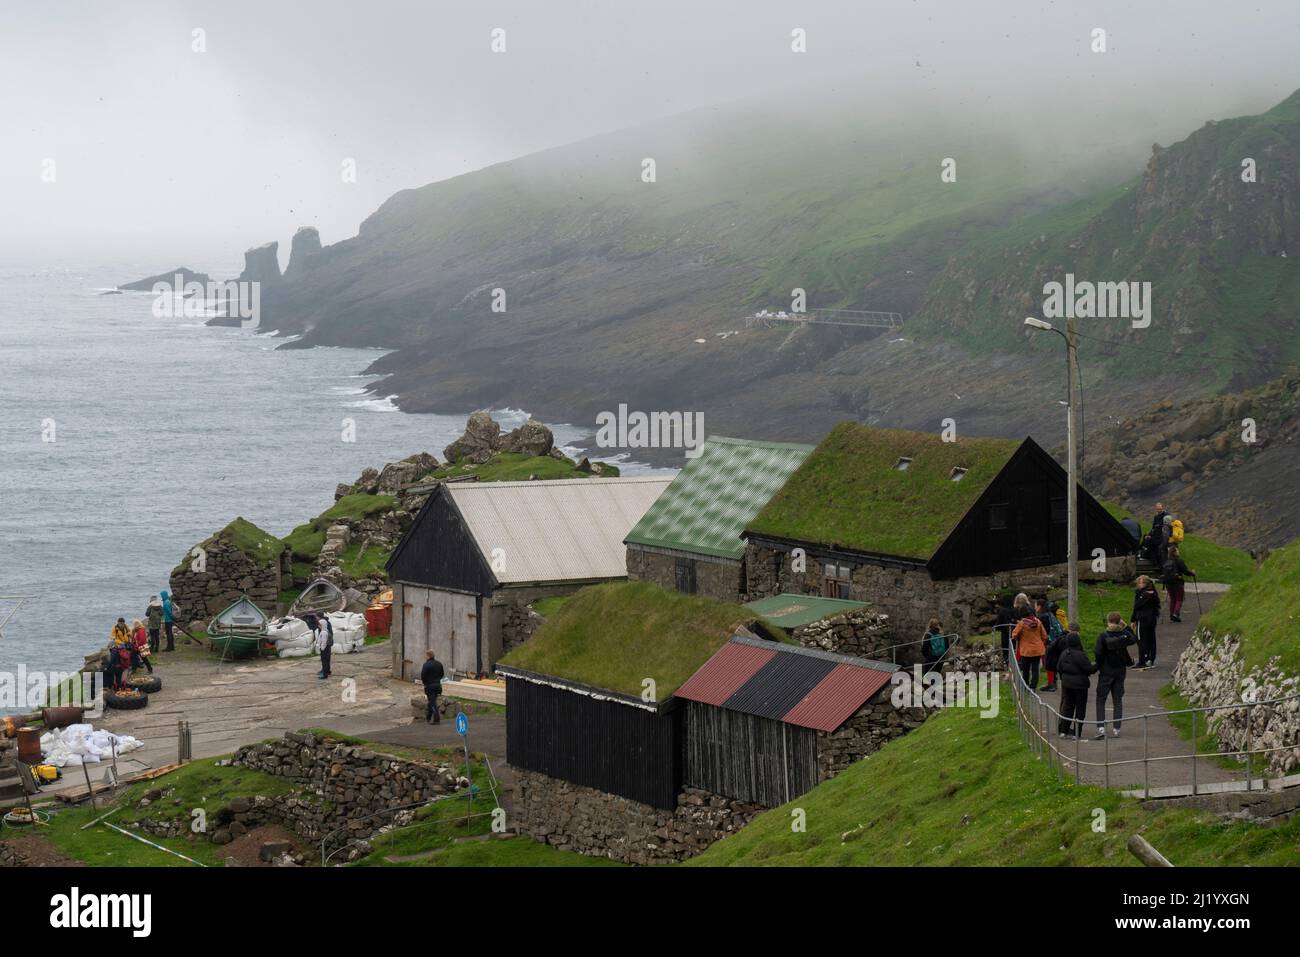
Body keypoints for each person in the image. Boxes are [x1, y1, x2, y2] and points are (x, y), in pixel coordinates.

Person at [1093, 613, 1137, 738]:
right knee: (1117, 700)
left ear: (1108, 621)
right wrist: (1125, 627)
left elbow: (1098, 653)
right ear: (1119, 622)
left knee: (1101, 699)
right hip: (1120, 671)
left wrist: (1100, 665)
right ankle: (1116, 728)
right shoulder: (1123, 635)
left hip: (1106, 671)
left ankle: (1101, 727)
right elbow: (1134, 639)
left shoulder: (1103, 636)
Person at [1056, 629, 1096, 739]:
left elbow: (1059, 667)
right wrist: (1097, 665)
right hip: (1080, 685)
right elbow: (1089, 669)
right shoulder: (1080, 654)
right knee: (1080, 709)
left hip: (1067, 683)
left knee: (1068, 707)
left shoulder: (1064, 653)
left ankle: (1063, 730)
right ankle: (1077, 733)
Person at [1011, 610, 1047, 690]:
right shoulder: (1038, 622)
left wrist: (1018, 638)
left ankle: (1026, 685)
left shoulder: (1022, 623)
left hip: (1026, 650)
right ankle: (1033, 686)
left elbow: (1014, 634)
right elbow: (1044, 635)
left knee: (1026, 669)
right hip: (1037, 649)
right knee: (1035, 669)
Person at [1132, 575, 1161, 669]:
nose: (1140, 585)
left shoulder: (1145, 594)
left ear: (1147, 583)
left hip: (1143, 619)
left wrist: (1133, 619)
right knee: (1150, 639)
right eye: (1139, 583)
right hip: (1151, 619)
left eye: (1143, 582)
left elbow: (1136, 606)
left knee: (1141, 639)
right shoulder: (1153, 593)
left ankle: (1143, 660)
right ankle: (1150, 659)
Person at [1161, 545, 1194, 623]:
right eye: (1177, 550)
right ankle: (1176, 614)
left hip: (1168, 583)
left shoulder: (1166, 562)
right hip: (1178, 583)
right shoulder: (1179, 561)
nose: (1178, 552)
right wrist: (1192, 573)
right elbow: (1185, 571)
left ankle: (1171, 614)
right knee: (1179, 598)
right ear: (1175, 552)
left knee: (1173, 599)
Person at [420, 650, 445, 724]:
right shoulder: (439, 664)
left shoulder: (426, 665)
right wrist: (437, 680)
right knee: (431, 701)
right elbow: (442, 674)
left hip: (430, 686)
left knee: (433, 702)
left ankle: (436, 719)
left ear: (428, 656)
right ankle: (428, 717)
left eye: (425, 656)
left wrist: (425, 683)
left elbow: (423, 676)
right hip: (438, 685)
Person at [993, 594, 1016, 670]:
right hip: (1015, 633)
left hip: (1005, 634)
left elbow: (998, 624)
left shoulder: (1002, 611)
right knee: (1014, 649)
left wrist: (1000, 628)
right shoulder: (1014, 610)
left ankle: (1007, 665)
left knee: (1006, 650)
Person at [314, 614, 333, 679]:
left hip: (324, 648)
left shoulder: (324, 632)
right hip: (326, 647)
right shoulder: (325, 630)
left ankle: (325, 674)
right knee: (326, 660)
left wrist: (322, 648)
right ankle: (326, 671)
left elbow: (324, 641)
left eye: (319, 625)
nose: (318, 626)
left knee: (324, 660)